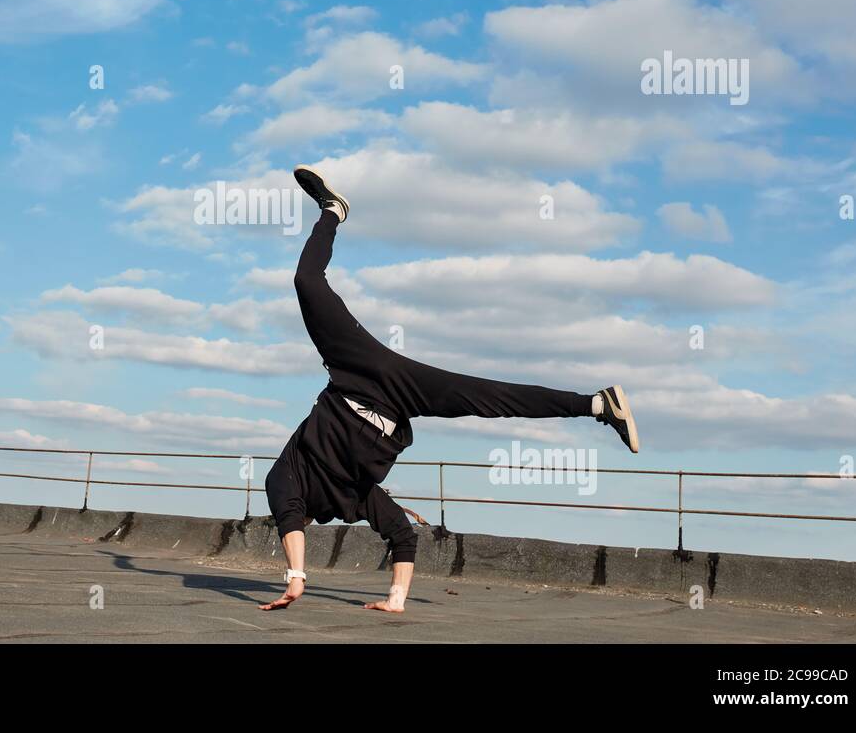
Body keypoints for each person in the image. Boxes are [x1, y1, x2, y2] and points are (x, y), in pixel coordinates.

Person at [259, 166, 639, 613]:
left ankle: (332, 211)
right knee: (490, 398)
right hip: (398, 403)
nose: (296, 523)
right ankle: (598, 404)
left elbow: (289, 523)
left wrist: (297, 578)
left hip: (358, 371)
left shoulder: (283, 479)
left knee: (306, 282)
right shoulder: (353, 499)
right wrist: (396, 600)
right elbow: (401, 534)